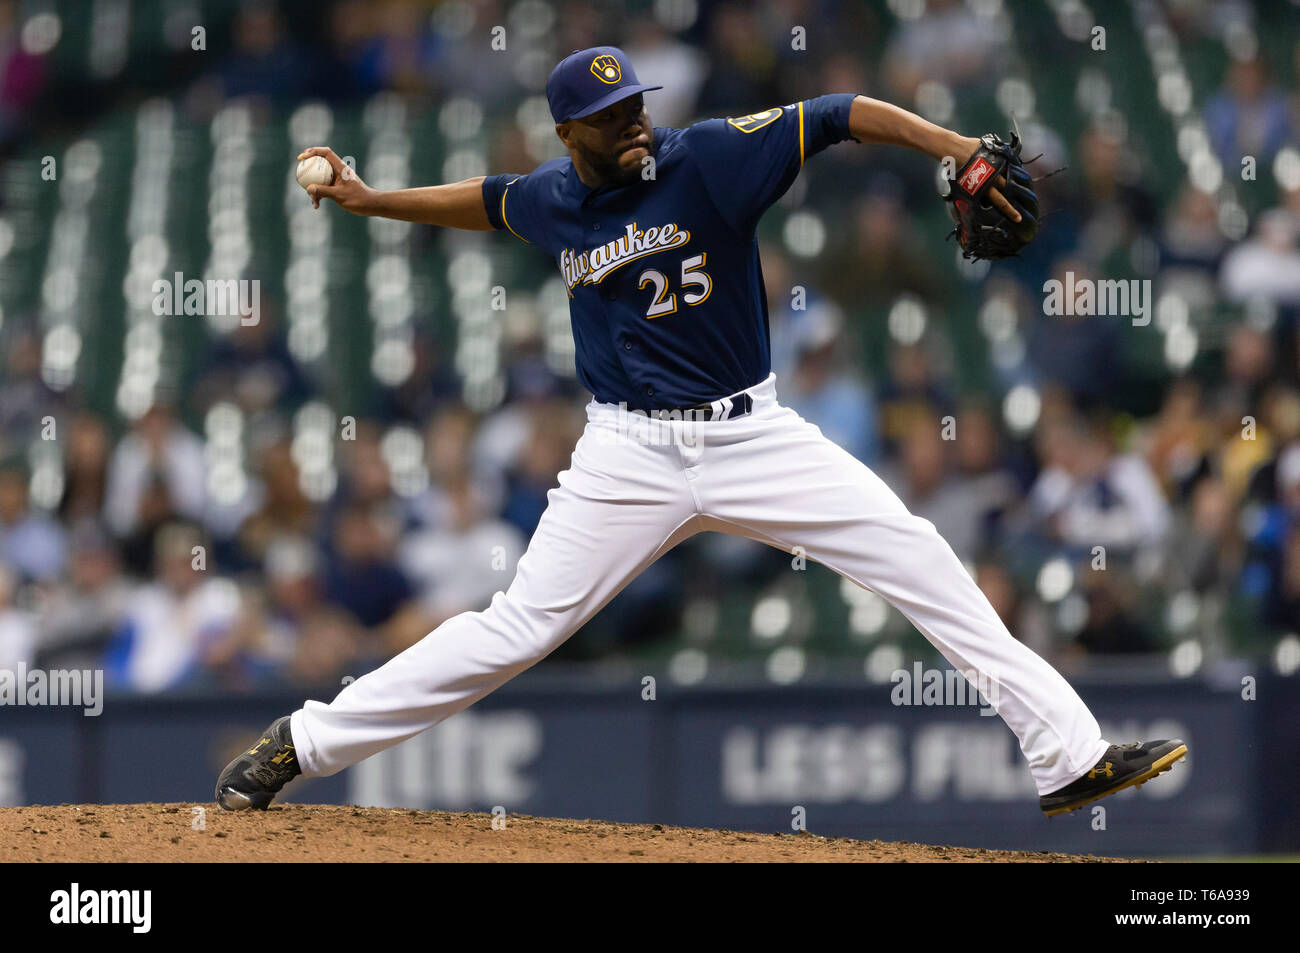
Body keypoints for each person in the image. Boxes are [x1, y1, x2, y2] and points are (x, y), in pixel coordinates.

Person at [217, 46, 1187, 817]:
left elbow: (843, 112)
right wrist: (367, 195)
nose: (633, 121)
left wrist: (950, 147)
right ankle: (299, 743)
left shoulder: (711, 155)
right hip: (625, 455)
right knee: (513, 627)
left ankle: (1068, 757)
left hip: (750, 437)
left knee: (921, 556)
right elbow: (482, 199)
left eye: (635, 104)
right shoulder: (556, 198)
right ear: (569, 134)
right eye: (609, 118)